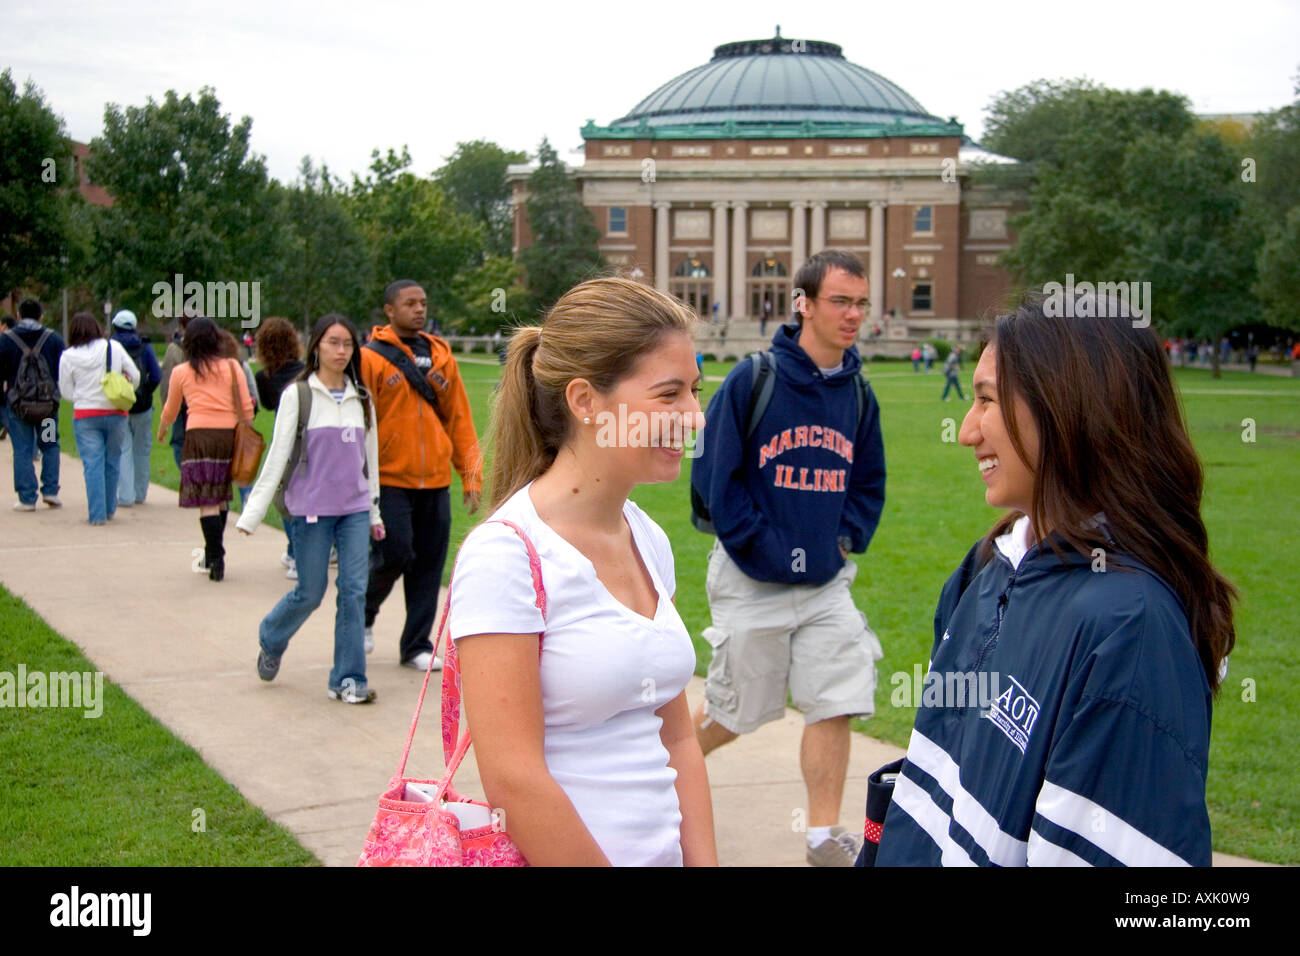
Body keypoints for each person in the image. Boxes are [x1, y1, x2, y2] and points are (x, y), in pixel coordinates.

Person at [872, 293, 1235, 866]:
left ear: (1070, 409)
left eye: (987, 400)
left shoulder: (1129, 630)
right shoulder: (986, 567)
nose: (967, 432)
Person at [447, 276, 716, 866]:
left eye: (695, 391)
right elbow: (514, 782)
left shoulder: (645, 536)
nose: (694, 417)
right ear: (585, 400)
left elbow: (675, 739)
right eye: (669, 395)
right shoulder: (506, 557)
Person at [689, 249, 887, 866]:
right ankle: (660, 782)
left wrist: (839, 539)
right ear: (803, 303)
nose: (853, 314)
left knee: (838, 695)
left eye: (860, 302)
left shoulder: (858, 392)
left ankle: (823, 838)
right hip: (752, 580)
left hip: (826, 585)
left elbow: (868, 482)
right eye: (840, 301)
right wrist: (766, 547)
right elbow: (715, 483)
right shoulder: (754, 378)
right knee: (734, 714)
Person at [237, 314, 384, 704]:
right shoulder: (298, 395)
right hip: (311, 511)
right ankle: (272, 637)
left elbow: (371, 461)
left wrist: (374, 513)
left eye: (347, 344)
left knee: (353, 592)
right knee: (310, 591)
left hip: (353, 509)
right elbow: (278, 454)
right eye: (332, 342)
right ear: (316, 345)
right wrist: (251, 515)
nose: (340, 351)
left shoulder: (362, 398)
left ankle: (348, 680)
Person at [359, 280, 482, 670]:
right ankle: (363, 613)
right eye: (409, 303)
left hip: (435, 481)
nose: (419, 309)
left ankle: (416, 645)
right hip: (390, 479)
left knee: (429, 564)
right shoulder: (370, 358)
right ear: (389, 311)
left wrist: (471, 475)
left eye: (423, 302)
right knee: (395, 553)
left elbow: (459, 419)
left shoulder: (442, 357)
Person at [157, 317, 255, 581]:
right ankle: (214, 554)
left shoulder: (182, 372)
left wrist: (163, 429)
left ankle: (215, 555)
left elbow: (171, 408)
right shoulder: (233, 366)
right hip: (228, 436)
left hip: (198, 436)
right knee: (221, 496)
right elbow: (246, 408)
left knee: (207, 501)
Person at [57, 312, 140, 525]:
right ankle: (110, 508)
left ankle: (97, 514)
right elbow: (136, 375)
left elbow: (66, 391)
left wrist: (82, 397)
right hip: (115, 412)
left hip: (86, 415)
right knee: (112, 461)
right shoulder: (113, 348)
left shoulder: (68, 356)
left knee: (92, 464)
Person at [254, 317, 307, 579]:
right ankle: (295, 549)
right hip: (309, 434)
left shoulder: (264, 377)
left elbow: (266, 404)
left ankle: (298, 554)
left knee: (284, 497)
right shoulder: (307, 370)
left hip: (284, 437)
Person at [1, 299, 65, 509]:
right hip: (47, 408)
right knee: (50, 445)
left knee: (22, 448)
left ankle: (27, 498)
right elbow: (62, 369)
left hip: (18, 407)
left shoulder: (6, 340)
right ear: (41, 316)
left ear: (18, 316)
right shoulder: (53, 339)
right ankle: (50, 490)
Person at [109, 310, 162, 507]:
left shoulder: (110, 346)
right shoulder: (145, 346)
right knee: (142, 450)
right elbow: (156, 375)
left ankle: (125, 495)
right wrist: (145, 392)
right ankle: (140, 493)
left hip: (119, 405)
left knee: (123, 449)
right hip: (143, 406)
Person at [159, 312, 195, 470]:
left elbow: (167, 380)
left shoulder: (174, 350)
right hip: (203, 406)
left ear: (181, 327)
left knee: (179, 444)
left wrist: (167, 407)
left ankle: (189, 477)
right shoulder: (211, 349)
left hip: (181, 407)